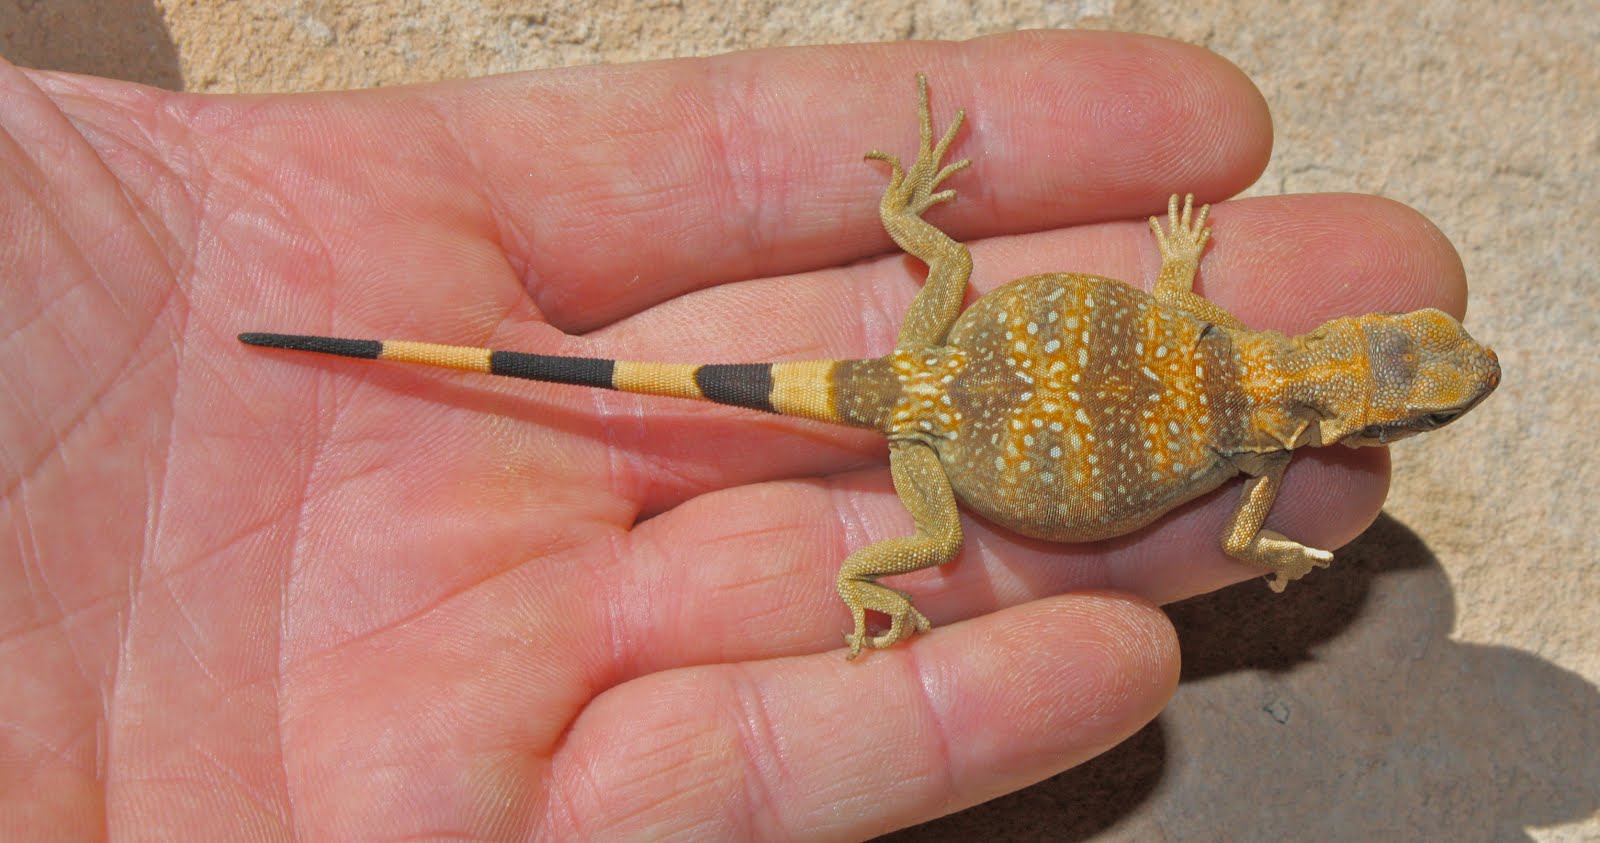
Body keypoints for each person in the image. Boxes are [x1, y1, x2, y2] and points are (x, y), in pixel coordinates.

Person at [0, 30, 1466, 839]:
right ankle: (866, 577)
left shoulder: (1218, 346)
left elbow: (1162, 308)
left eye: (1418, 379)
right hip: (944, 435)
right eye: (1422, 381)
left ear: (1351, 371)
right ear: (1354, 382)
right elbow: (1252, 526)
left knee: (909, 455)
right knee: (928, 541)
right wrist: (1272, 561)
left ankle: (881, 518)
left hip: (942, 374)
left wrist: (954, 219)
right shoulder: (1259, 449)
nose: (1421, 380)